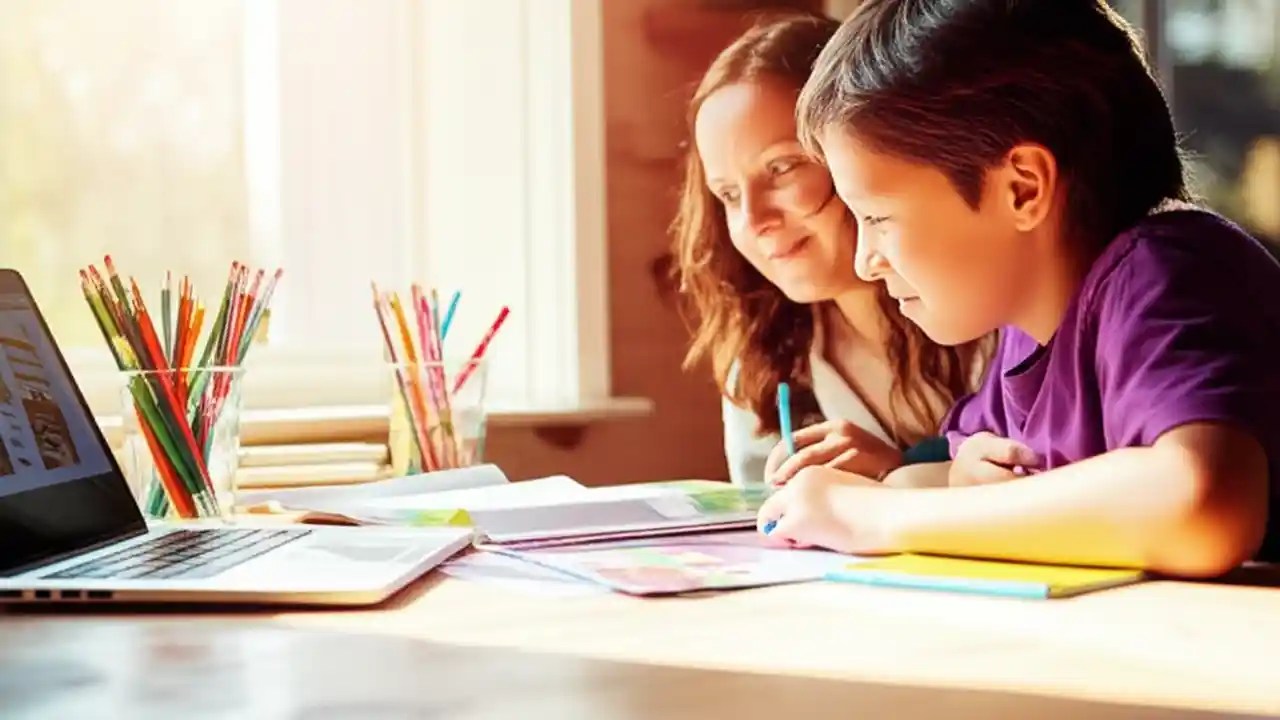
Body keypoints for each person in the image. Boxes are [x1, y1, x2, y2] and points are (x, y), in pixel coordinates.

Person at [758, 0, 1280, 577]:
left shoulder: (1164, 273)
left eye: (877, 218)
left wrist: (876, 518)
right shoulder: (1026, 335)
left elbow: (1201, 507)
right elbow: (960, 474)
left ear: (1023, 189)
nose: (864, 262)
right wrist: (958, 484)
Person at [671, 14, 988, 490]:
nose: (755, 220)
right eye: (730, 195)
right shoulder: (764, 364)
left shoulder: (999, 319)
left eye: (781, 168)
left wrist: (896, 477)